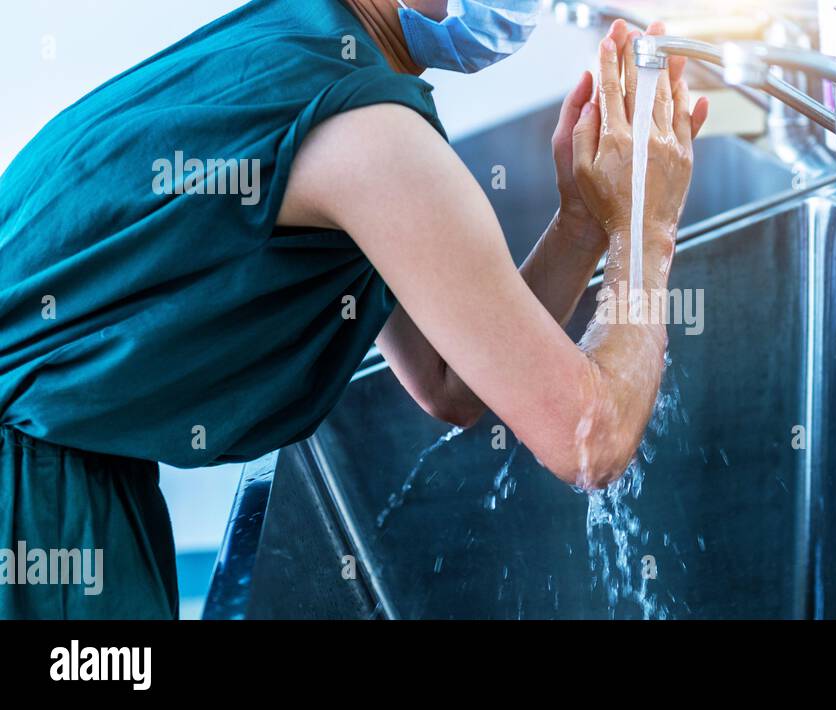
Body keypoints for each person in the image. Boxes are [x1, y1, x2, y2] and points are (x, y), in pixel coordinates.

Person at [0, 0, 708, 618]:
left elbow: (448, 381)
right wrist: (648, 233)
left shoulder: (307, 47)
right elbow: (588, 440)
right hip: (37, 515)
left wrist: (584, 222)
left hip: (54, 478)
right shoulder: (370, 132)